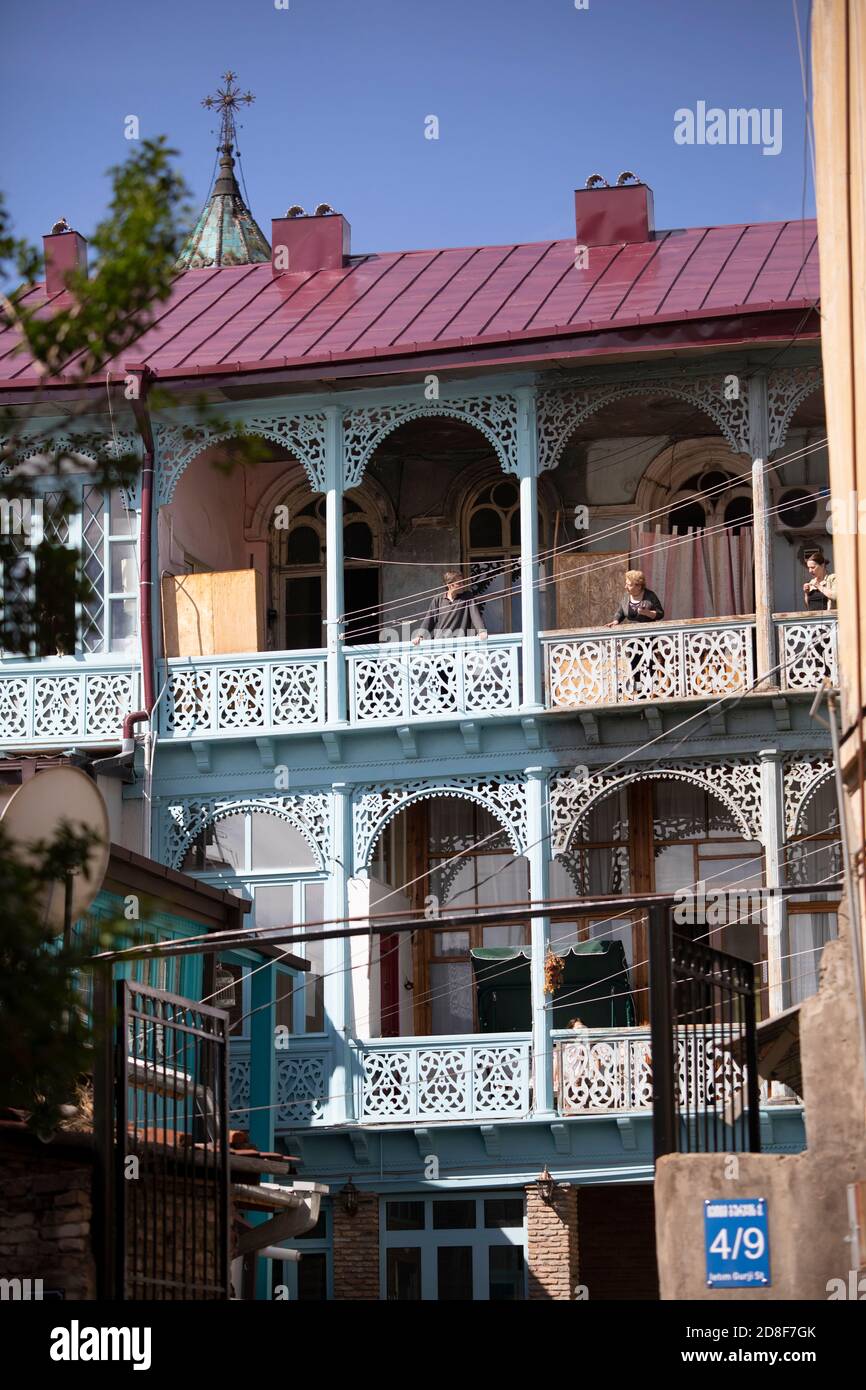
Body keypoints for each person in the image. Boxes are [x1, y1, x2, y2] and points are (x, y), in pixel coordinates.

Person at [413, 570, 487, 643]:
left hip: (460, 643)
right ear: (450, 585)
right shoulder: (438, 599)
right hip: (441, 643)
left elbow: (475, 615)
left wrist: (481, 631)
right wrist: (420, 635)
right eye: (459, 583)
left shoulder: (467, 596)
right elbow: (429, 619)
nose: (462, 585)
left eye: (462, 582)